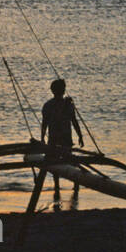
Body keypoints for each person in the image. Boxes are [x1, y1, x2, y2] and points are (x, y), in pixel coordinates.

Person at [40, 78, 84, 209]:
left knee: (55, 162)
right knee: (69, 160)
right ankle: (74, 186)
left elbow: (44, 124)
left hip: (56, 138)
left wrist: (42, 138)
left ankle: (58, 187)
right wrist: (80, 136)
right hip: (62, 138)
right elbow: (74, 121)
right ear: (62, 90)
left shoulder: (51, 105)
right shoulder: (67, 104)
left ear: (53, 91)